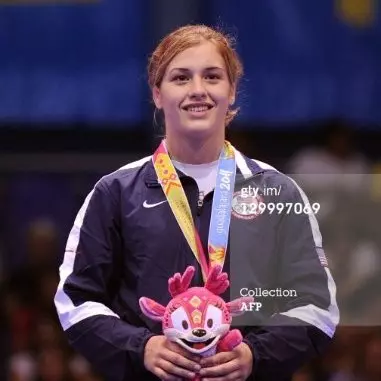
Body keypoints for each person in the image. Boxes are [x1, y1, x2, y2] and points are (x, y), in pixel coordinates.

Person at [54, 24, 339, 381]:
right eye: (181, 78)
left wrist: (255, 355)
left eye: (212, 76)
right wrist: (140, 346)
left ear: (232, 90)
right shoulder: (115, 192)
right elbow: (74, 300)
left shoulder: (278, 191)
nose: (198, 90)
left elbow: (318, 305)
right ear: (157, 93)